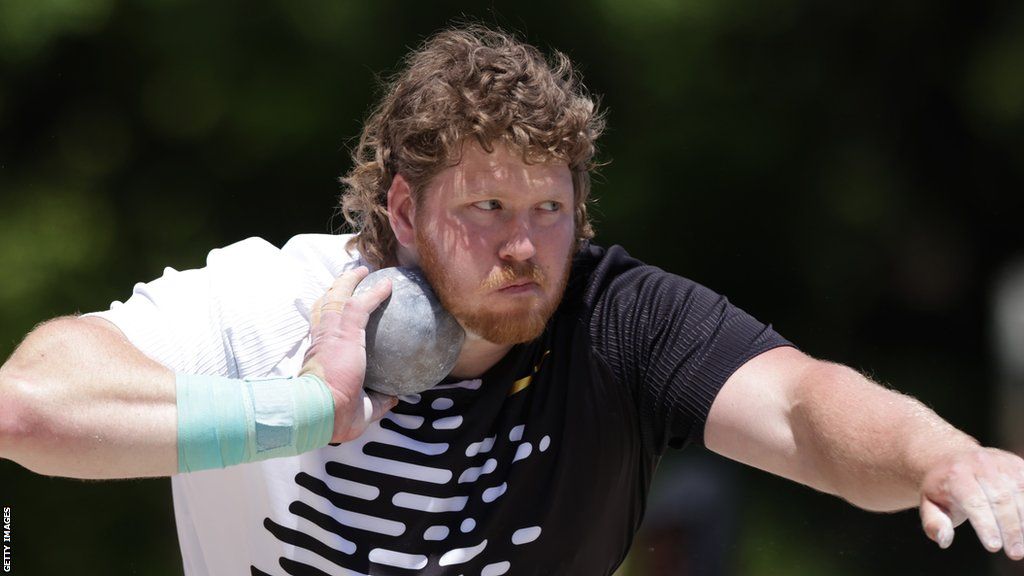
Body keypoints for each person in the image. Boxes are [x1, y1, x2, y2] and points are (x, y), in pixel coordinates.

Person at [1, 24, 1022, 576]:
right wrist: (310, 410)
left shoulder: (619, 320)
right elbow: (29, 410)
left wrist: (939, 455)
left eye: (548, 205)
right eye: (484, 206)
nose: (526, 245)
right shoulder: (278, 303)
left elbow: (804, 404)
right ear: (402, 208)